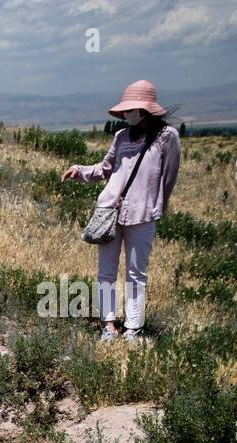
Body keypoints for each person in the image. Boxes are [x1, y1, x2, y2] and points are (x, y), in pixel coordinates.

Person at [62, 80, 181, 342]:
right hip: (110, 211)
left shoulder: (167, 137)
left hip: (143, 214)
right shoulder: (121, 137)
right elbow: (105, 169)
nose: (127, 114)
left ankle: (133, 328)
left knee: (136, 273)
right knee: (106, 271)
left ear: (145, 110)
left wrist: (159, 205)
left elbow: (169, 176)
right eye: (125, 110)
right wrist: (79, 171)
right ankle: (108, 324)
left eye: (131, 109)